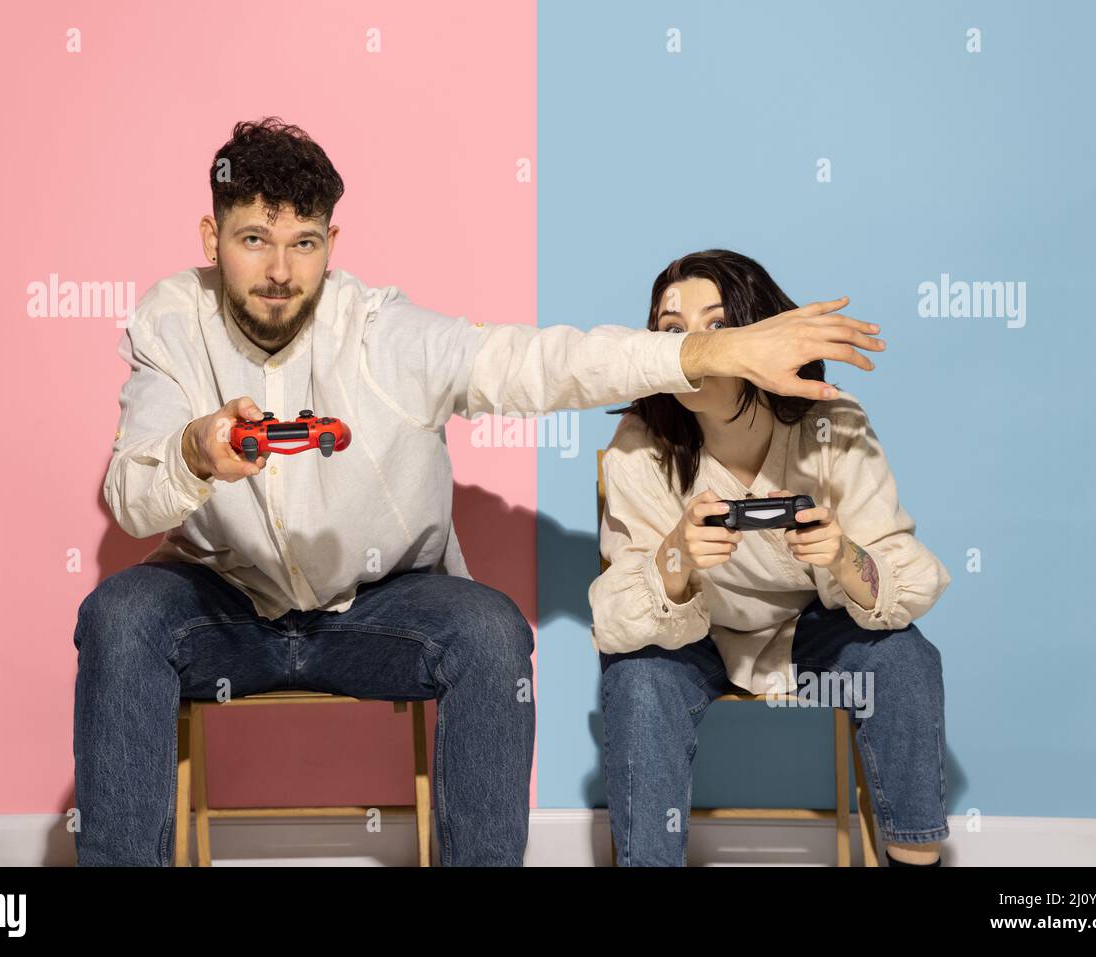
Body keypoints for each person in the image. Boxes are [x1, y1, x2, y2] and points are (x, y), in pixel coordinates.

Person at [73, 117, 885, 866]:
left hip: (381, 611)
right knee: (120, 613)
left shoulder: (380, 333)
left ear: (333, 241)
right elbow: (131, 499)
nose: (282, 271)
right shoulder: (171, 322)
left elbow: (538, 363)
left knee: (494, 633)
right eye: (255, 239)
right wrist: (194, 451)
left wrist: (709, 354)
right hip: (226, 611)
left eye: (305, 242)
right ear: (211, 236)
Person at [589, 249, 951, 867]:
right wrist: (675, 557)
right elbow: (617, 622)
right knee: (637, 678)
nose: (697, 345)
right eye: (673, 329)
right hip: (692, 634)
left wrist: (841, 555)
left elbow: (902, 576)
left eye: (719, 325)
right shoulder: (639, 445)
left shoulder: (834, 426)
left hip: (811, 630)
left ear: (763, 331)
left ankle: (915, 856)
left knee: (905, 658)